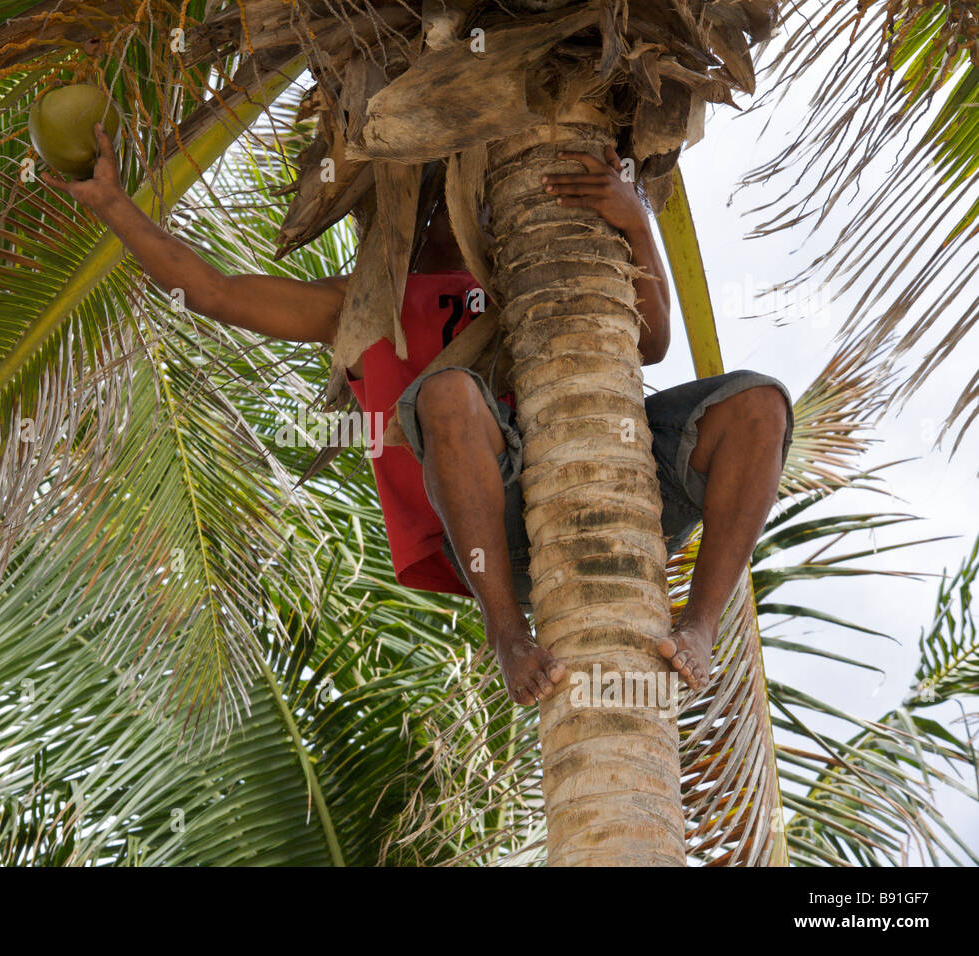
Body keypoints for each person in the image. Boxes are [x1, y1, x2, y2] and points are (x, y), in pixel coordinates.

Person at [42, 123, 794, 706]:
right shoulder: (359, 307)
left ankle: (699, 621)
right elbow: (211, 292)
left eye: (465, 184)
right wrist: (111, 202)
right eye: (427, 188)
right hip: (490, 530)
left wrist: (635, 224)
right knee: (446, 395)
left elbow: (652, 342)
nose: (445, 201)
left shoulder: (530, 273)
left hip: (607, 480)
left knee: (760, 405)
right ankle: (506, 634)